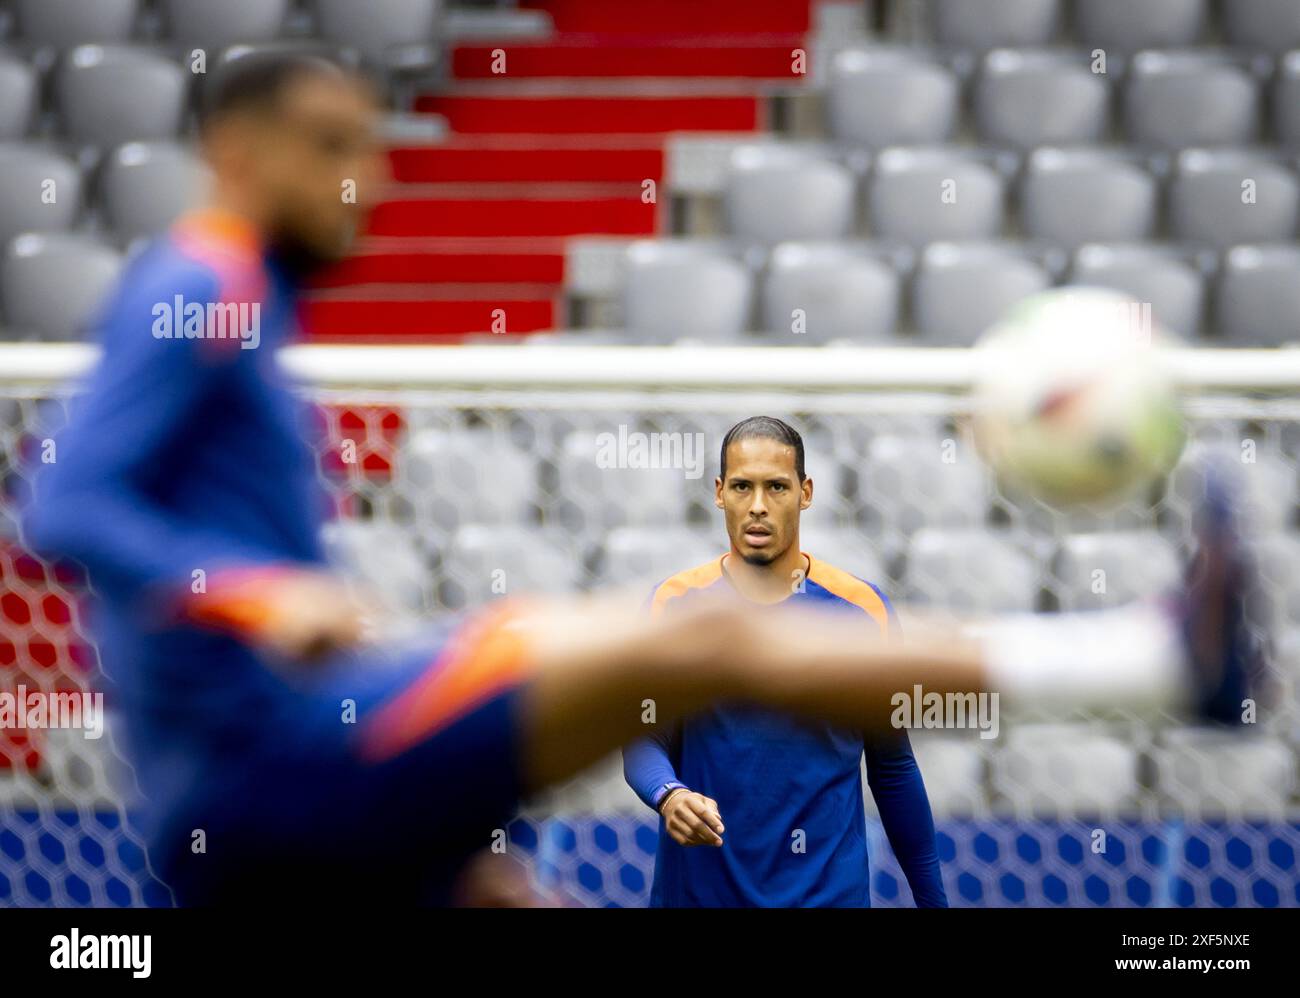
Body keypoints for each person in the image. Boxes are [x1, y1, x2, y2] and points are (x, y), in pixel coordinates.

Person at [22, 53, 1264, 906]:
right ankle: (1151, 659)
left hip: (273, 780)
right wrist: (260, 596)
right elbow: (62, 499)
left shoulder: (246, 308)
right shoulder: (202, 284)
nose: (375, 177)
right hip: (267, 775)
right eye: (335, 146)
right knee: (710, 639)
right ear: (238, 150)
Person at [624, 417, 947, 907]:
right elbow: (642, 739)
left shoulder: (862, 611)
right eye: (741, 486)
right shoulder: (675, 605)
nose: (757, 506)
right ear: (718, 492)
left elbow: (893, 768)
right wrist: (668, 794)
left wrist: (934, 903)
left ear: (806, 492)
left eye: (776, 486)